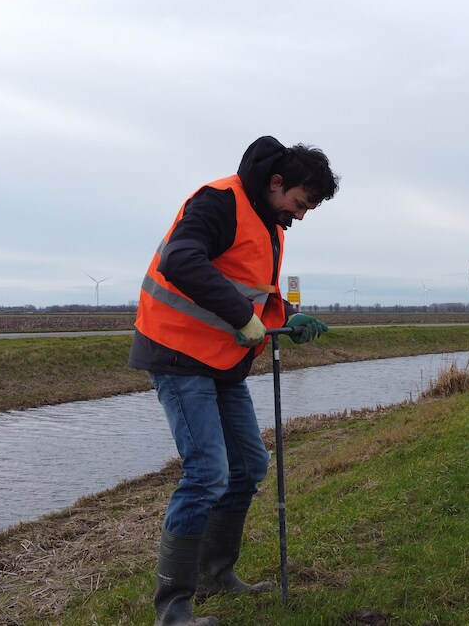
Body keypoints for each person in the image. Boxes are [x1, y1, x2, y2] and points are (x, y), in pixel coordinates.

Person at [129, 135, 339, 625]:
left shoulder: (271, 226)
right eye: (301, 203)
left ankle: (215, 575)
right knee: (206, 474)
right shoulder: (219, 201)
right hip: (177, 351)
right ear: (276, 182)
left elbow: (252, 294)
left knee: (247, 467)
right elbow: (179, 260)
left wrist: (287, 316)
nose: (301, 215)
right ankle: (173, 610)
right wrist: (240, 317)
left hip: (221, 359)